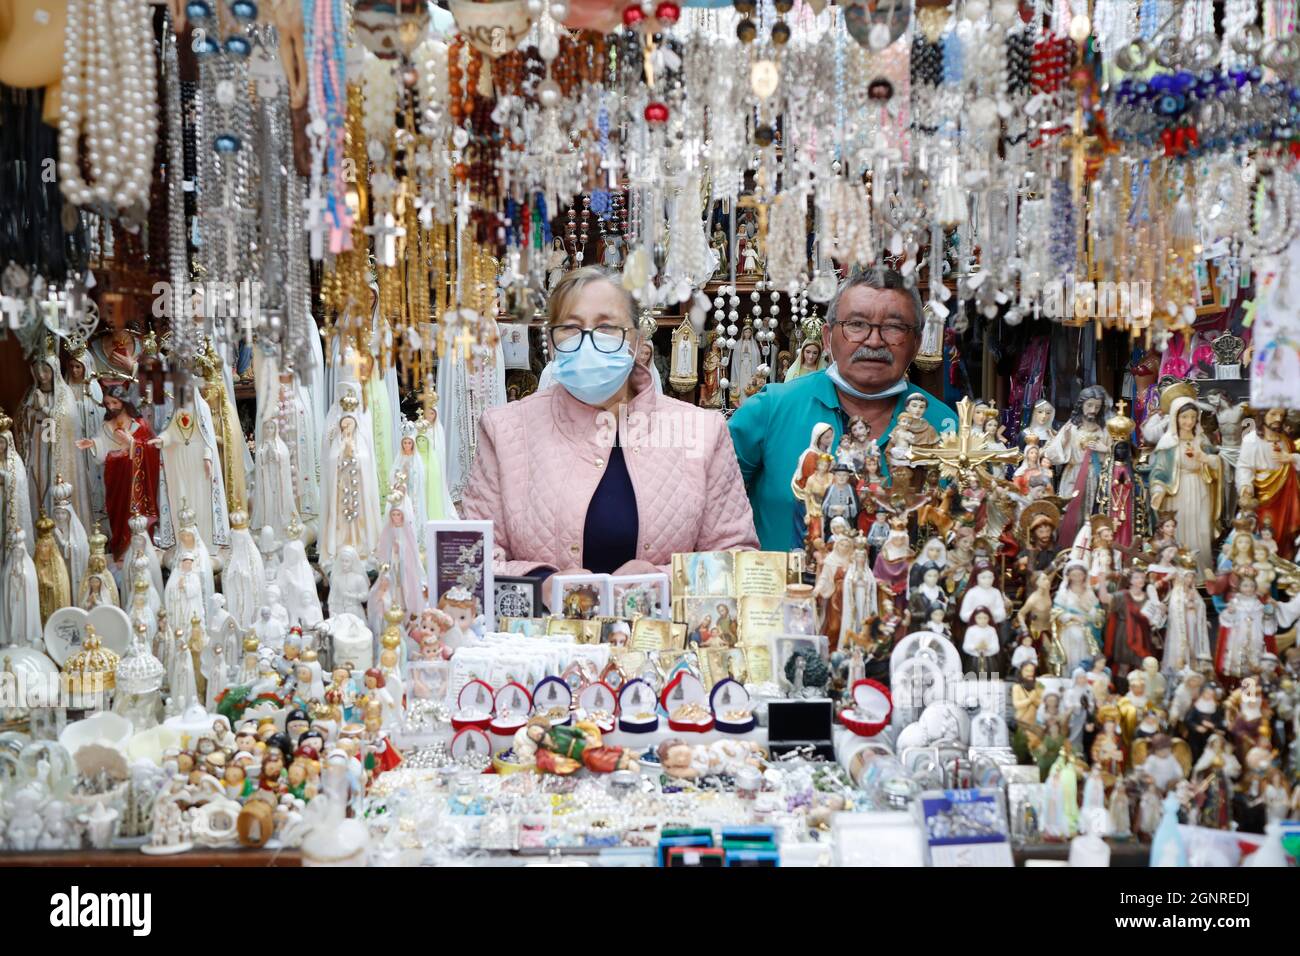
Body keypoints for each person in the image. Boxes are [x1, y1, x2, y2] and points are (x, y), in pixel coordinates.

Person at [460, 266, 757, 586]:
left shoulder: (702, 430)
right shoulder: (505, 431)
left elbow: (738, 558)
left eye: (606, 327)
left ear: (637, 340)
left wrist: (662, 580)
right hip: (541, 633)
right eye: (571, 328)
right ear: (550, 340)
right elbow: (468, 558)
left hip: (663, 633)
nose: (588, 341)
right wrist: (542, 584)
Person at [728, 266, 956, 551]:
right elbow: (714, 512)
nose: (874, 341)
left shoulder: (945, 426)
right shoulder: (771, 408)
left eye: (894, 327)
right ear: (827, 337)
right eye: (856, 324)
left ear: (916, 343)